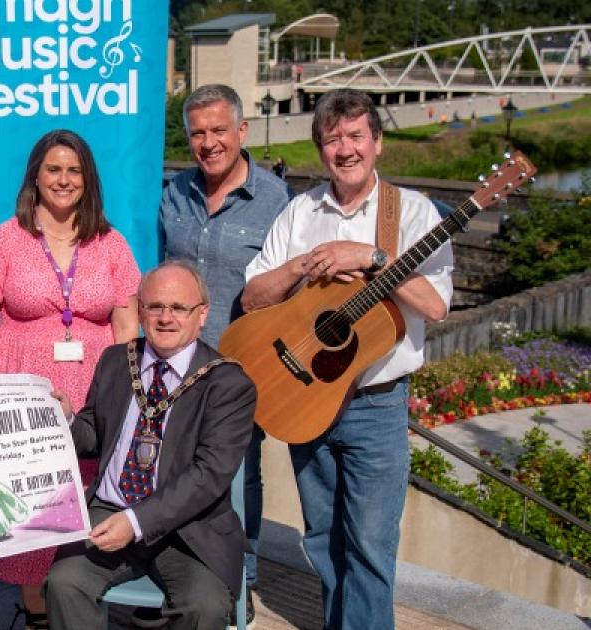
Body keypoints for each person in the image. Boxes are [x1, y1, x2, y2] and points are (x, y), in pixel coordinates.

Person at [241, 88, 453, 630]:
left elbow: (435, 306)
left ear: (377, 143)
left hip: (376, 406)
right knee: (321, 540)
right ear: (320, 150)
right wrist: (301, 269)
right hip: (307, 395)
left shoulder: (413, 213)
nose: (346, 150)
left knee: (370, 548)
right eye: (333, 140)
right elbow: (254, 296)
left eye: (356, 136)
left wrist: (375, 259)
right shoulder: (301, 211)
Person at [0, 128, 141, 624]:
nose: (64, 179)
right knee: (32, 504)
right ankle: (37, 613)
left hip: (94, 397)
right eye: (53, 169)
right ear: (35, 177)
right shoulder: (4, 240)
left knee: (84, 502)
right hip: (21, 396)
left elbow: (128, 327)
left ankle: (77, 602)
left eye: (74, 170)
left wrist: (126, 399)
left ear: (88, 179)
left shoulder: (111, 244)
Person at [44, 260, 256, 630]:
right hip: (108, 511)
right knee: (63, 584)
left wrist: (137, 520)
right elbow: (93, 436)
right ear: (140, 311)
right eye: (155, 306)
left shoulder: (228, 384)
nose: (165, 317)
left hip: (189, 529)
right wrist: (68, 419)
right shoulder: (116, 360)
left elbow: (208, 477)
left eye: (179, 308)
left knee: (203, 607)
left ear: (202, 314)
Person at [158, 83, 293, 625]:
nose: (208, 143)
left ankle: (244, 575)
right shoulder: (174, 192)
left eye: (219, 130)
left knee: (243, 473)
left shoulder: (277, 199)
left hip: (242, 363)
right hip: (176, 360)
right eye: (197, 133)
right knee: (173, 462)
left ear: (241, 131)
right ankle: (177, 566)